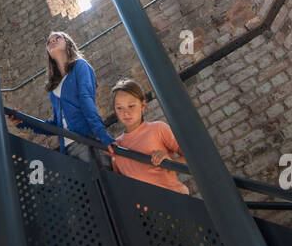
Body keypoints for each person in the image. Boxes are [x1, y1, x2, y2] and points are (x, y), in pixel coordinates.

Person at [12, 31, 114, 163]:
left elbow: (86, 99)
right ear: (49, 53)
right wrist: (23, 122)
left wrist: (102, 135)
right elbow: (57, 124)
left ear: (68, 43)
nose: (52, 41)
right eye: (49, 42)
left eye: (57, 38)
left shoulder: (80, 66)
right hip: (67, 147)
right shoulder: (53, 88)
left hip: (88, 138)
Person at [106, 79, 189, 195]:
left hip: (176, 201)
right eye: (119, 108)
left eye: (131, 106)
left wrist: (171, 162)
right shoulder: (115, 147)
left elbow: (192, 159)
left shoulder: (158, 128)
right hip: (145, 210)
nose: (126, 112)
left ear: (143, 105)